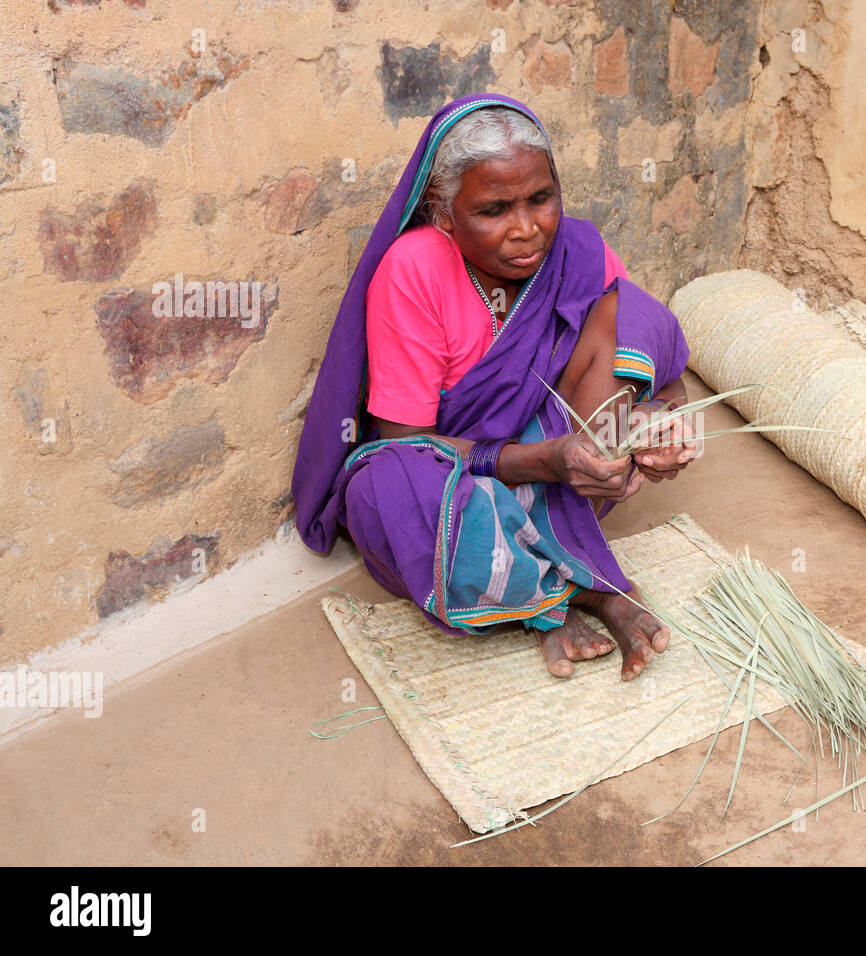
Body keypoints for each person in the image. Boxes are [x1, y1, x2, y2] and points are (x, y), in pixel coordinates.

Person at [291, 93, 698, 681]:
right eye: (494, 209)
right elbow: (407, 441)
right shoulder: (414, 269)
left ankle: (537, 579)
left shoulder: (578, 251)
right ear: (442, 211)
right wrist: (545, 461)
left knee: (625, 313)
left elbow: (666, 381)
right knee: (386, 490)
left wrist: (652, 430)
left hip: (570, 473)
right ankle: (577, 594)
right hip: (465, 478)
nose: (527, 228)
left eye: (541, 198)